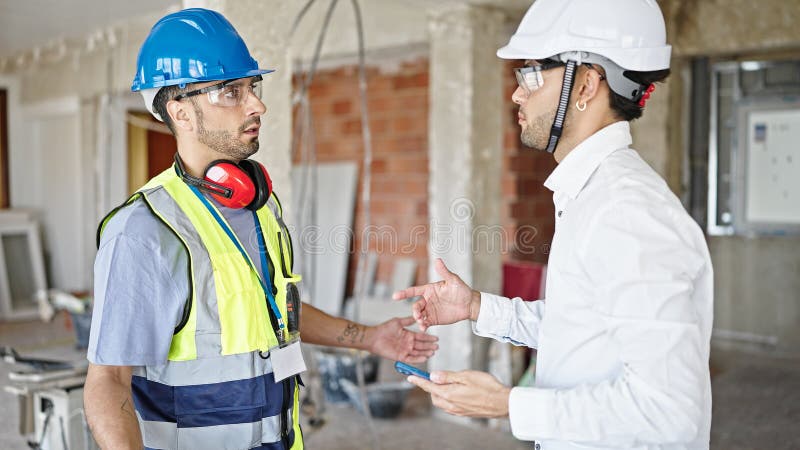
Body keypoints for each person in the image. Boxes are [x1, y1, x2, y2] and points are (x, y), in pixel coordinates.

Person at [83, 8, 438, 450]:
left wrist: (369, 338)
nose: (257, 105)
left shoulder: (260, 207)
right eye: (231, 91)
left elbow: (276, 312)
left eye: (253, 87)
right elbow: (108, 381)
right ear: (181, 113)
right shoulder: (144, 230)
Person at [393, 0, 713, 449]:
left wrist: (509, 404)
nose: (517, 94)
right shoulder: (592, 195)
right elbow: (581, 328)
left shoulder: (625, 211)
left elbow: (668, 412)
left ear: (586, 84)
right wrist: (476, 307)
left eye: (531, 75)